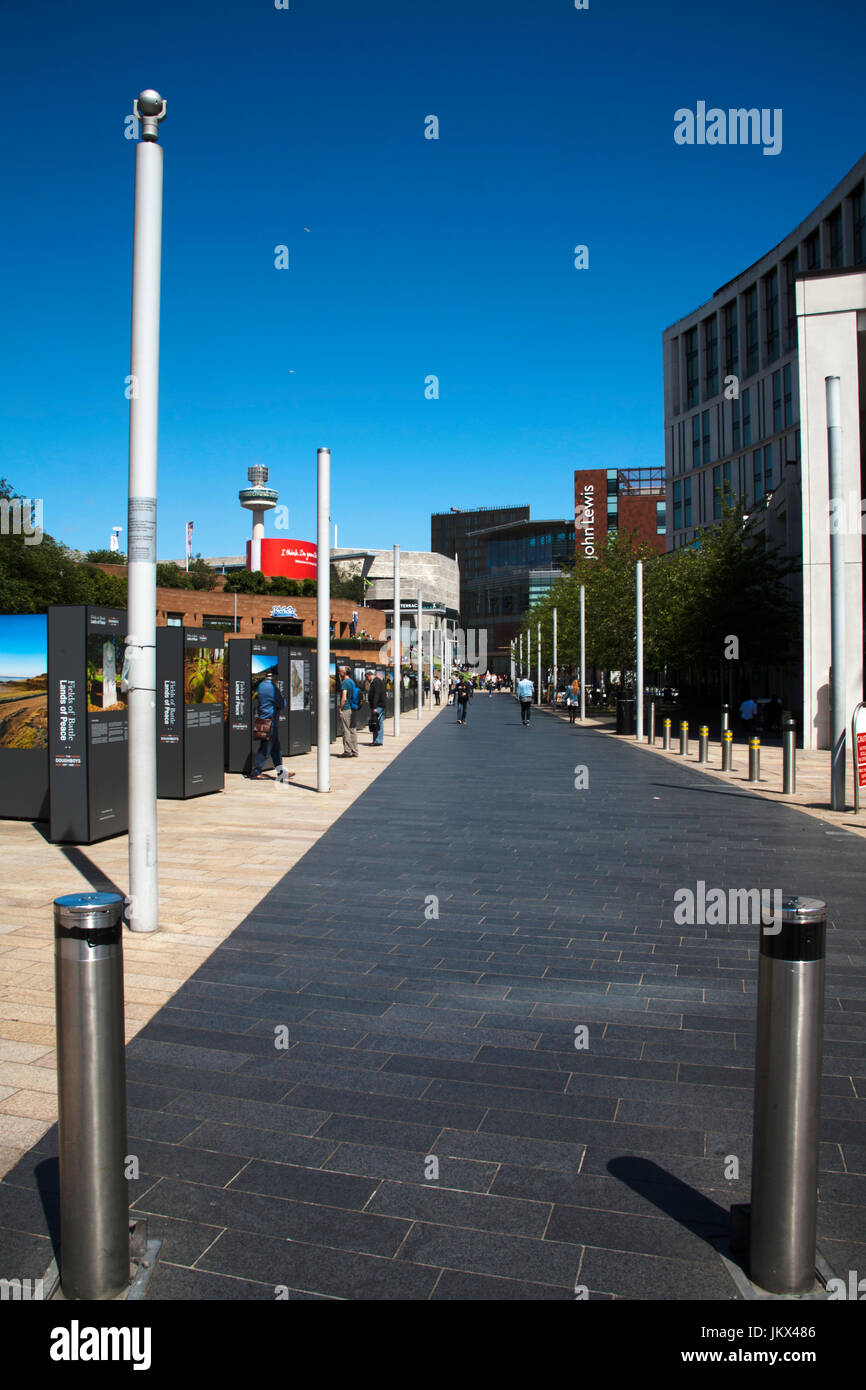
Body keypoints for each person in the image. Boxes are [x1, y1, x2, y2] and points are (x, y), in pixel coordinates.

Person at [250, 671, 294, 782]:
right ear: (274, 677)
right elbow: (282, 704)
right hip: (270, 722)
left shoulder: (261, 686)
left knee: (276, 749)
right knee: (266, 748)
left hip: (263, 720)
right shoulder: (272, 689)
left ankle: (281, 771)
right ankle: (256, 771)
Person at [337, 664, 359, 757]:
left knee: (345, 730)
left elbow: (344, 697)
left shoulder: (345, 682)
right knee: (352, 730)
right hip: (353, 708)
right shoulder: (352, 682)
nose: (339, 673)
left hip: (346, 708)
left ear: (344, 673)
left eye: (340, 671)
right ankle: (355, 750)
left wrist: (340, 708)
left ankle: (347, 751)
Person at [366, 668, 386, 745]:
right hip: (379, 705)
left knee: (376, 722)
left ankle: (378, 741)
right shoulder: (377, 681)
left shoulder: (376, 682)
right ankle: (377, 740)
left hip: (378, 706)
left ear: (368, 675)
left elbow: (376, 695)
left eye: (366, 676)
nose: (366, 679)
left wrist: (374, 707)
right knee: (377, 722)